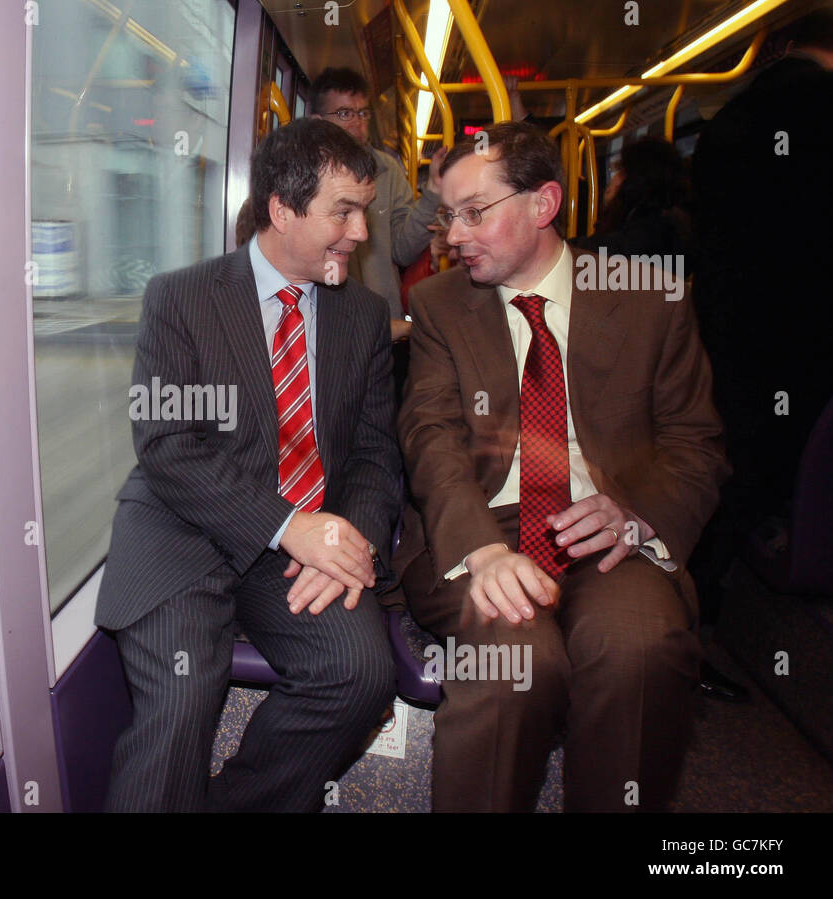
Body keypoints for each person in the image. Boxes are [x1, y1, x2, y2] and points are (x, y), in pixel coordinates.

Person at [389, 121, 729, 811]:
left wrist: (635, 515)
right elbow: (432, 437)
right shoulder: (438, 306)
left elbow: (698, 445)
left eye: (473, 212)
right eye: (448, 215)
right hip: (487, 527)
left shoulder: (649, 298)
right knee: (515, 663)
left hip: (609, 533)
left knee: (638, 648)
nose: (453, 235)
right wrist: (482, 550)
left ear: (543, 205)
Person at [97, 118, 404, 813]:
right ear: (282, 209)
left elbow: (374, 454)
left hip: (300, 547)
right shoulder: (181, 298)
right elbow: (168, 443)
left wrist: (345, 537)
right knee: (179, 698)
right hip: (185, 528)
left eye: (365, 210)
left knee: (359, 672)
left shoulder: (363, 317)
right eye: (344, 212)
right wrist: (287, 523)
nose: (361, 232)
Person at [691, 6, 833, 627]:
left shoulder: (732, 120)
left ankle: (698, 601)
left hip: (728, 318)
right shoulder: (823, 108)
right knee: (789, 453)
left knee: (732, 454)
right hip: (809, 319)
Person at [308, 67, 444, 345]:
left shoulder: (388, 170)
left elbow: (403, 251)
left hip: (383, 326)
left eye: (363, 113)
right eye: (345, 114)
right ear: (318, 121)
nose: (357, 123)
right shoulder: (303, 175)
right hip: (325, 328)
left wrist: (432, 194)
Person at [574, 136, 692, 267]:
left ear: (635, 180)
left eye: (620, 171)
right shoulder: (667, 222)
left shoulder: (655, 230)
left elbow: (612, 251)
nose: (613, 180)